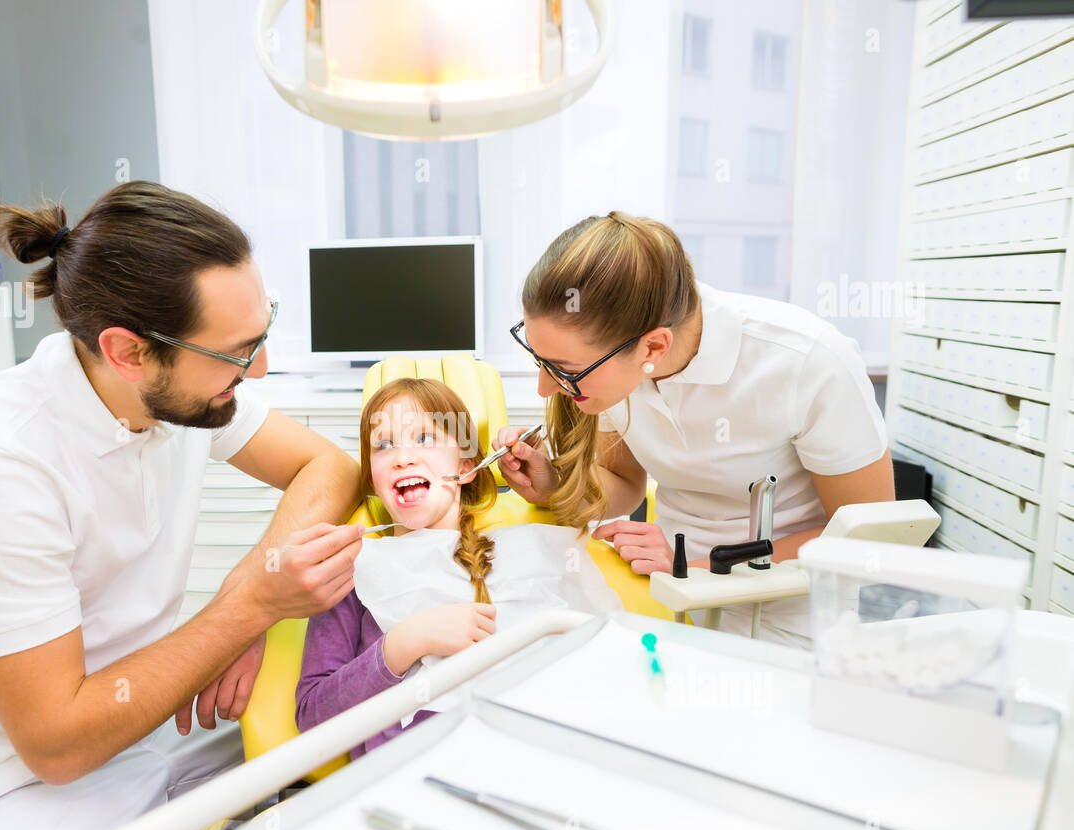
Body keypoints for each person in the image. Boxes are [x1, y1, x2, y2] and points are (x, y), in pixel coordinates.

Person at [0, 181, 364, 830]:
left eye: (263, 334)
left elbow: (330, 469)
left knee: (353, 768)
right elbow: (58, 745)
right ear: (128, 352)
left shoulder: (177, 392)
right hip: (3, 798)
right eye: (235, 353)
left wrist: (259, 597)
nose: (260, 369)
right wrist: (246, 612)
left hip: (151, 733)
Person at [495, 211, 893, 646]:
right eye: (540, 361)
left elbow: (870, 536)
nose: (542, 390)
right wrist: (555, 485)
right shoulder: (617, 367)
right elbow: (626, 484)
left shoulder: (807, 362)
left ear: (654, 346)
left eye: (564, 370)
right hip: (664, 589)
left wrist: (695, 568)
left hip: (789, 610)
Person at [295, 377, 619, 755]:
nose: (402, 457)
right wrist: (404, 642)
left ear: (467, 466)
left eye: (423, 439)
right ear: (373, 480)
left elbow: (605, 668)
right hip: (409, 782)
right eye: (383, 445)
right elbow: (313, 717)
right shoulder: (352, 572)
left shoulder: (535, 552)